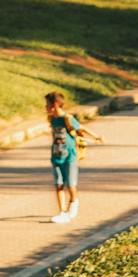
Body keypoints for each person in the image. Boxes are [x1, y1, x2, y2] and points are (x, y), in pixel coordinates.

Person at [46, 91, 103, 224]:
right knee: (59, 184)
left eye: (47, 104)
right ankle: (62, 212)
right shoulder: (51, 119)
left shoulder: (67, 118)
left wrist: (95, 136)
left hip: (69, 157)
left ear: (54, 104)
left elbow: (81, 129)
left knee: (71, 184)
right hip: (56, 156)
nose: (45, 107)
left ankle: (74, 202)